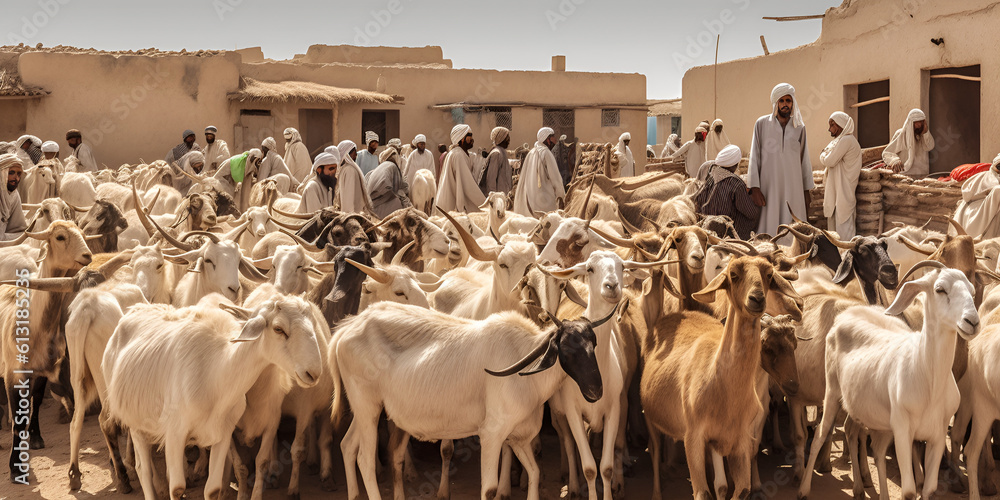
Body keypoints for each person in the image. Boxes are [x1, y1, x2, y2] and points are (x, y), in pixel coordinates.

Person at [748, 83, 814, 237]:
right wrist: (754, 187)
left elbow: (804, 160)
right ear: (776, 103)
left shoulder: (799, 127)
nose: (785, 105)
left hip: (794, 187)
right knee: (768, 223)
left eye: (788, 101)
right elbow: (754, 155)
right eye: (782, 101)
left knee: (794, 224)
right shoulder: (761, 124)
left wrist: (806, 189)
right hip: (769, 186)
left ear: (793, 103)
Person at [695, 145, 760, 240]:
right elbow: (751, 213)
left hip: (707, 229)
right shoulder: (736, 184)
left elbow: (698, 201)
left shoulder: (711, 176)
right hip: (728, 233)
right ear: (736, 164)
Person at [820, 111, 862, 239]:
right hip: (836, 192)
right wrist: (825, 154)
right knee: (833, 237)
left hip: (843, 192)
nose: (829, 129)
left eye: (832, 125)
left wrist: (822, 154)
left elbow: (829, 160)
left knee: (844, 238)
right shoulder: (839, 141)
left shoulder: (847, 140)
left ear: (840, 125)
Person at [513, 127, 565, 215]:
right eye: (552, 137)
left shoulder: (531, 152)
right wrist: (562, 196)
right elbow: (555, 178)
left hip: (530, 200)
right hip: (544, 201)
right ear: (547, 139)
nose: (555, 140)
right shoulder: (546, 153)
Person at [437, 124, 487, 213]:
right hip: (452, 204)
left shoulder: (461, 154)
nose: (472, 139)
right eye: (469, 137)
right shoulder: (458, 155)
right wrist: (484, 204)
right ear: (461, 139)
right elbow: (467, 184)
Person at [883, 108, 935, 178]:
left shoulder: (923, 135)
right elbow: (887, 152)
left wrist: (926, 133)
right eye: (917, 122)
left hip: (922, 175)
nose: (919, 125)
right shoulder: (900, 134)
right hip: (905, 175)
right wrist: (894, 160)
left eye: (921, 122)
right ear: (911, 122)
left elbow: (930, 146)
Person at [366, 147, 411, 218]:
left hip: (371, 204)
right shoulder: (393, 166)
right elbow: (398, 188)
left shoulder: (379, 168)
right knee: (400, 205)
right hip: (382, 200)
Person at [335, 140, 375, 215]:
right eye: (355, 152)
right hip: (352, 216)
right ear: (348, 152)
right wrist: (349, 217)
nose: (356, 155)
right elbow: (348, 199)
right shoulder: (349, 170)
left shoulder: (347, 169)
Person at [0, 154, 27, 240]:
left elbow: (17, 228)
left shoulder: (14, 194)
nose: (16, 178)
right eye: (11, 173)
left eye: (19, 174)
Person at [482, 127, 512, 195]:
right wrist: (493, 198)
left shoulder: (502, 152)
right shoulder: (496, 154)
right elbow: (491, 179)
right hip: (497, 198)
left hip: (503, 196)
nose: (509, 140)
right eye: (507, 138)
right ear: (501, 138)